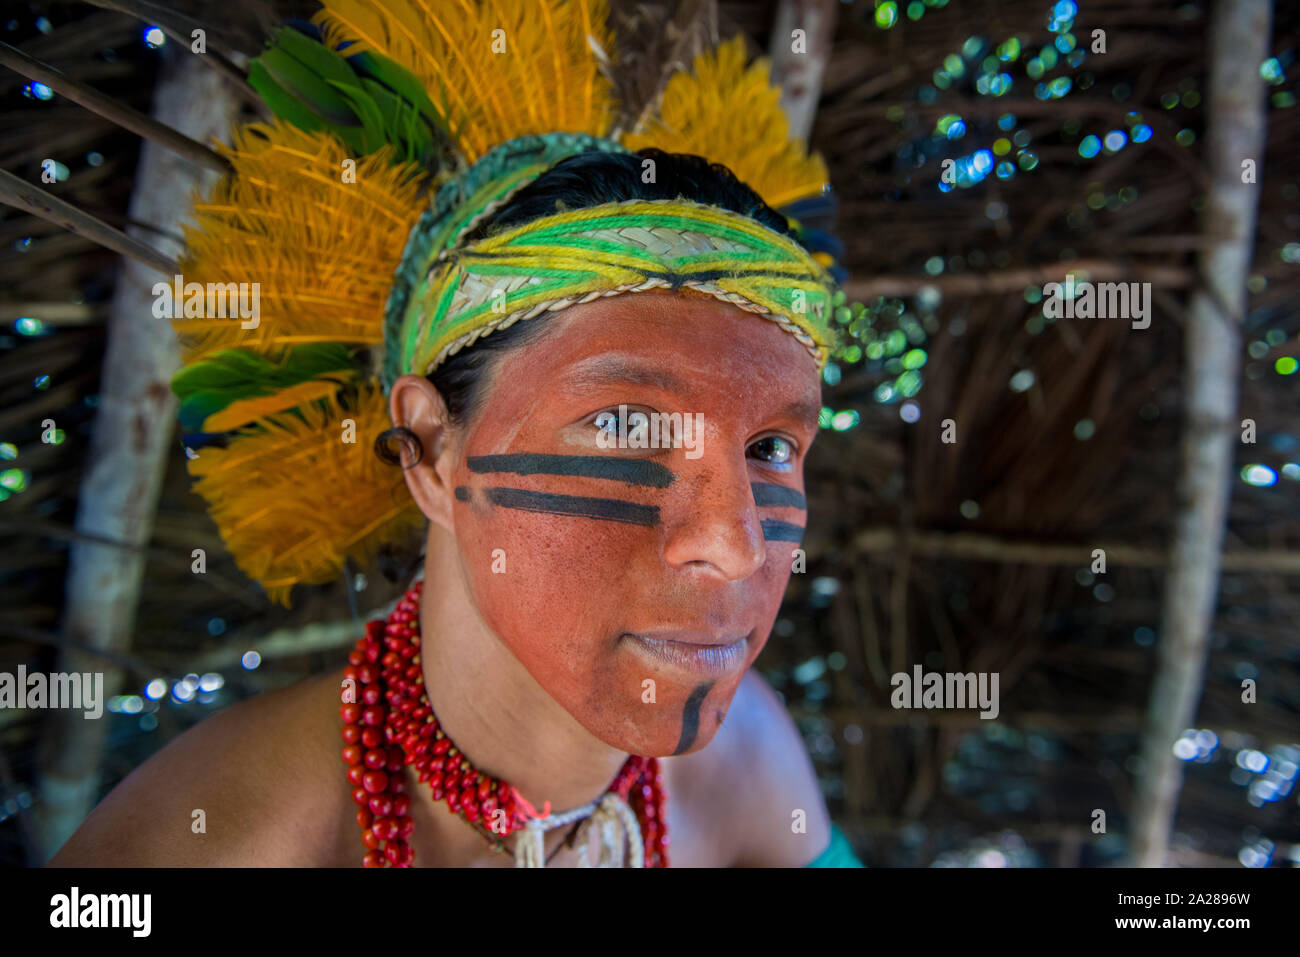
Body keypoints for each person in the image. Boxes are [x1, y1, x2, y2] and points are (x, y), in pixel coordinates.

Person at [49, 0, 865, 868]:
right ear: (431, 451)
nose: (735, 546)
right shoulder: (199, 847)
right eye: (625, 424)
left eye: (771, 447)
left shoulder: (749, 766)